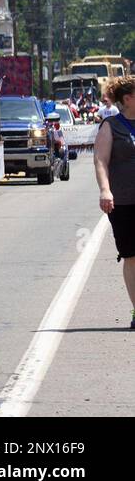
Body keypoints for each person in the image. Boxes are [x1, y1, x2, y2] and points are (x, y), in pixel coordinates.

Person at [94, 76, 135, 329]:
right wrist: (105, 190)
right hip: (125, 201)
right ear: (128, 99)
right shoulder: (112, 126)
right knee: (132, 256)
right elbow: (100, 160)